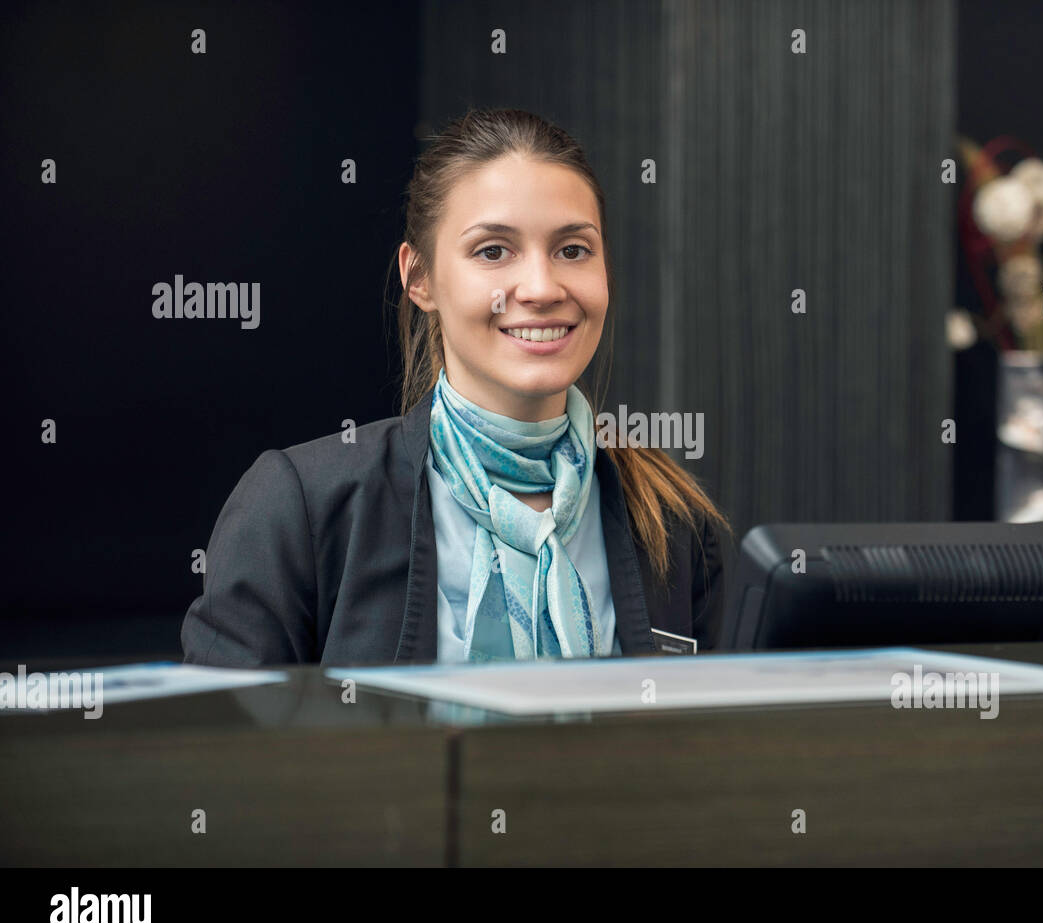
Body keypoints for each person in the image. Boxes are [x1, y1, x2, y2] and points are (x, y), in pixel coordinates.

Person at [181, 107, 731, 666]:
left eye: (573, 250)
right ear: (419, 278)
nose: (541, 288)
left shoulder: (673, 521)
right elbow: (217, 747)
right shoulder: (298, 507)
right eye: (493, 251)